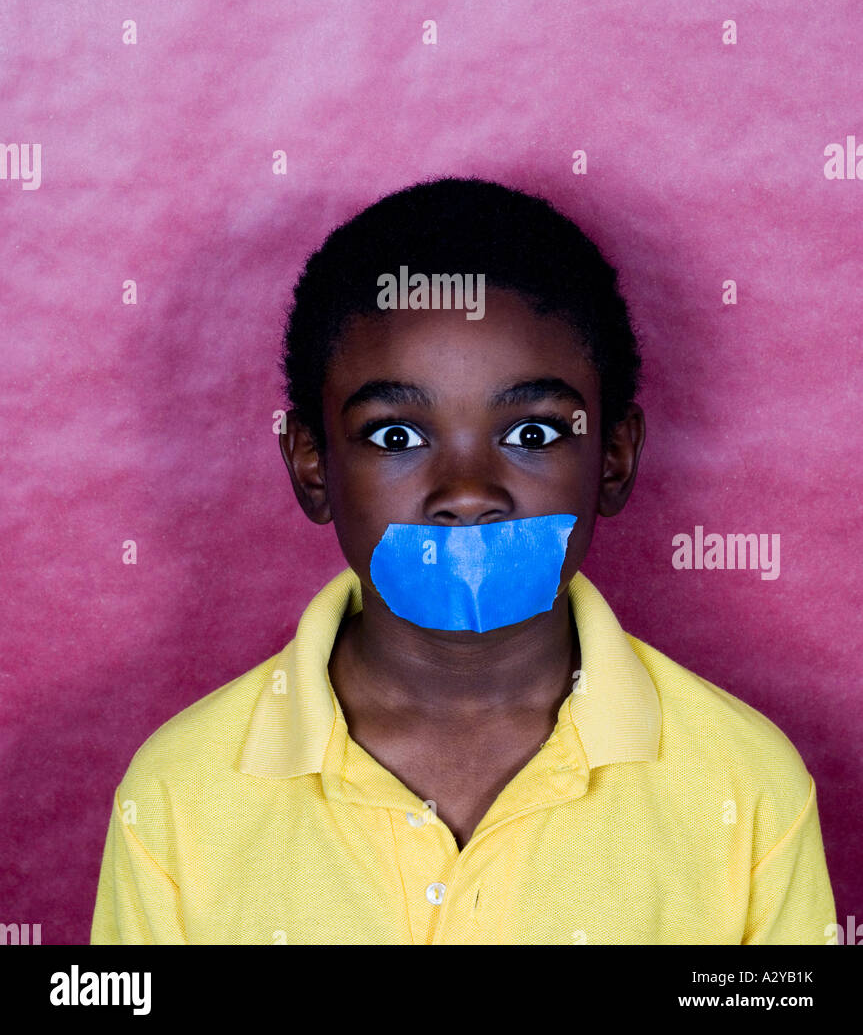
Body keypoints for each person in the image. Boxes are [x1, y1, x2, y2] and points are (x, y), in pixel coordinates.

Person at [90, 176, 835, 944]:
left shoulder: (742, 788)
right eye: (395, 437)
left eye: (534, 434)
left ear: (612, 459)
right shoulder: (180, 796)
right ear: (311, 466)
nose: (469, 493)